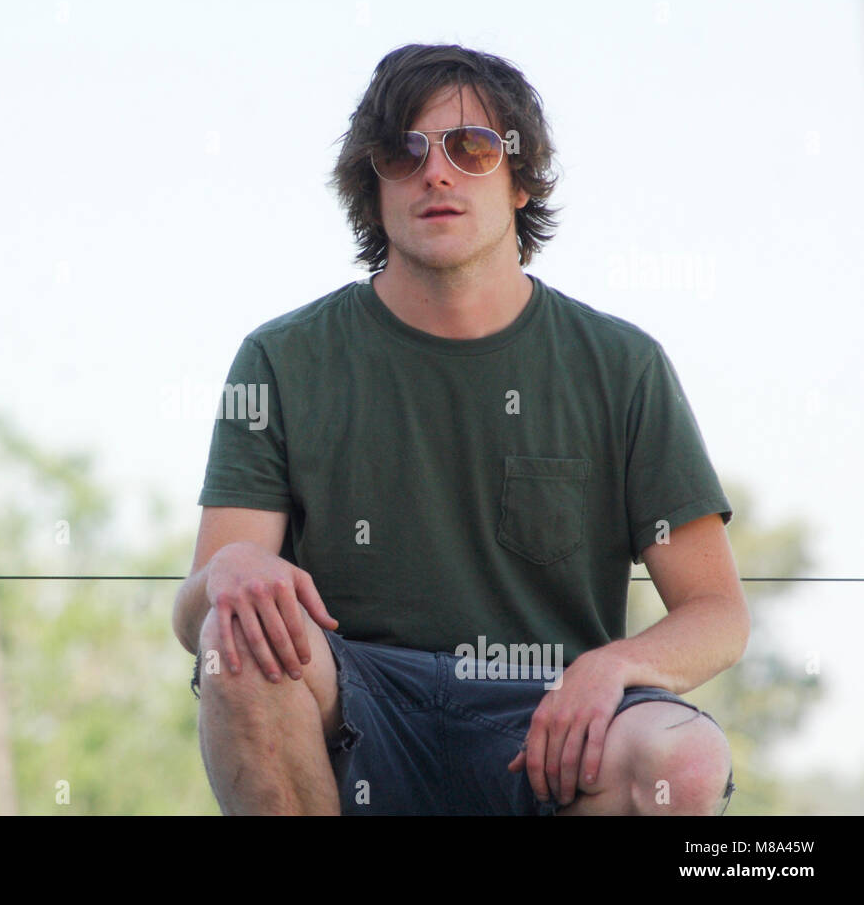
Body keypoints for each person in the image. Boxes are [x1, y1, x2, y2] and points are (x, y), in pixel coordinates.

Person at [171, 43, 746, 815]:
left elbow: (716, 612)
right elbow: (195, 609)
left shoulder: (621, 365)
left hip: (548, 722)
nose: (435, 172)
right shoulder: (282, 359)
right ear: (371, 186)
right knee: (233, 638)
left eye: (470, 148)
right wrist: (228, 570)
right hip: (356, 711)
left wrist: (613, 668)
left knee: (687, 760)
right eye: (402, 151)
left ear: (519, 180)